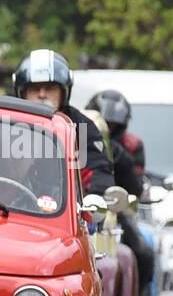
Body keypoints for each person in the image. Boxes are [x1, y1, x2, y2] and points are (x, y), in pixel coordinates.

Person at [87, 91, 156, 296]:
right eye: (102, 124)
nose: (106, 129)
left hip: (115, 208)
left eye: (111, 126)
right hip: (73, 204)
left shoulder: (129, 147)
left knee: (142, 251)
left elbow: (134, 185)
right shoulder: (68, 135)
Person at [11, 49, 114, 196]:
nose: (42, 94)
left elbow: (97, 170)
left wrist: (94, 200)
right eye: (34, 88)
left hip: (65, 213)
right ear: (22, 92)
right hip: (11, 210)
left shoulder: (82, 127)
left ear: (64, 92)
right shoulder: (4, 124)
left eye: (50, 88)